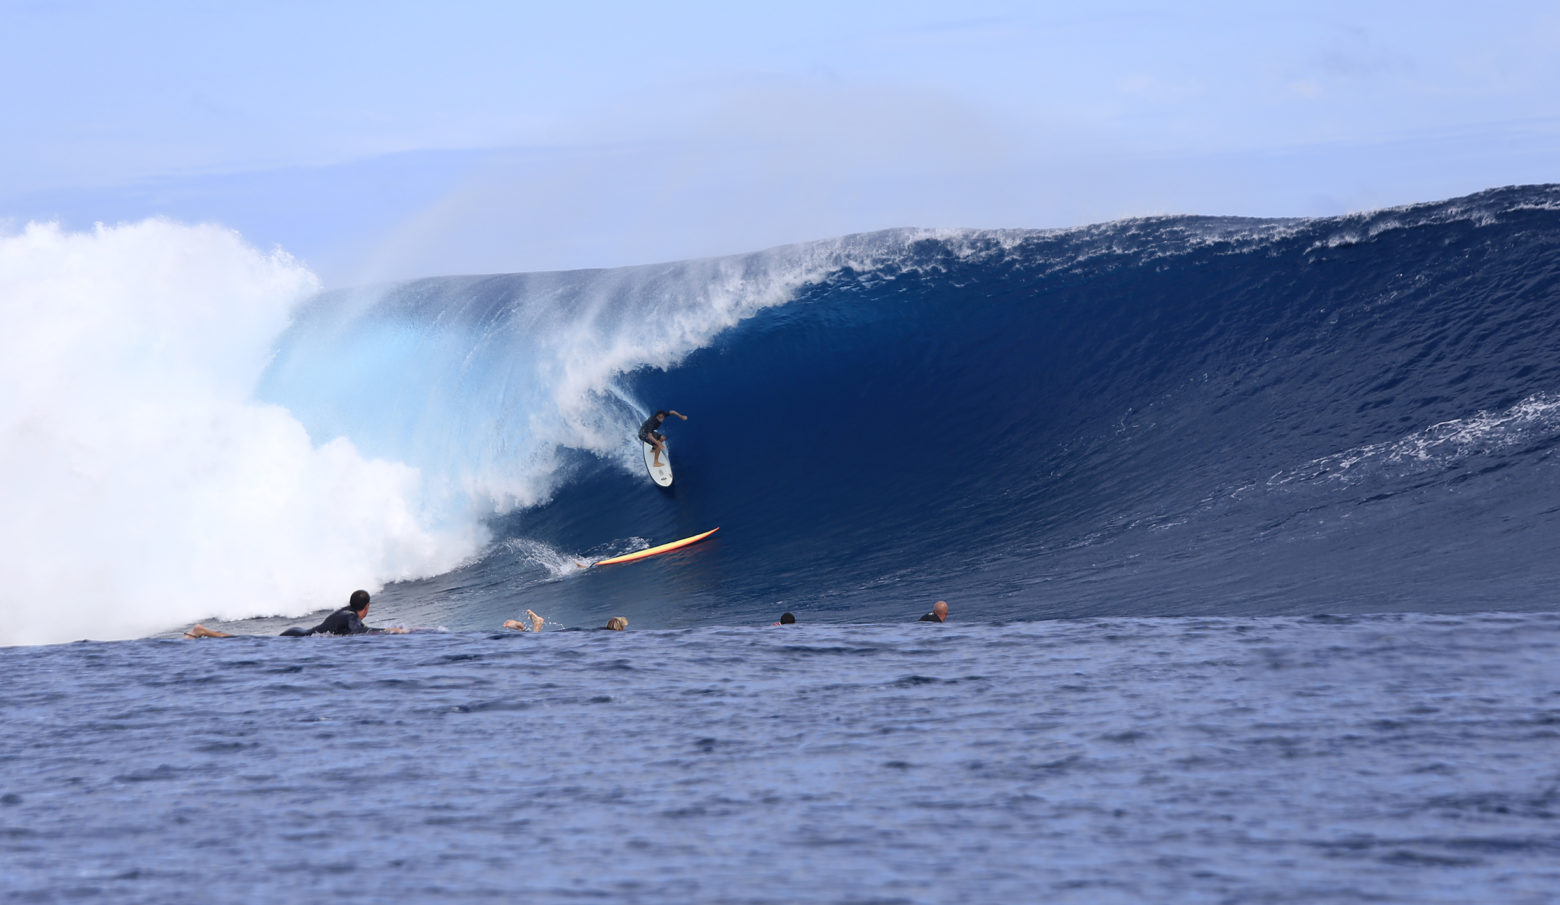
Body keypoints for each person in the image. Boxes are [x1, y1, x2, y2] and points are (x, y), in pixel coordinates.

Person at [279, 590, 406, 636]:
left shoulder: (348, 612)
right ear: (367, 607)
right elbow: (360, 631)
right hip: (297, 637)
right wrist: (388, 630)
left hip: (296, 632)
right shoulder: (351, 616)